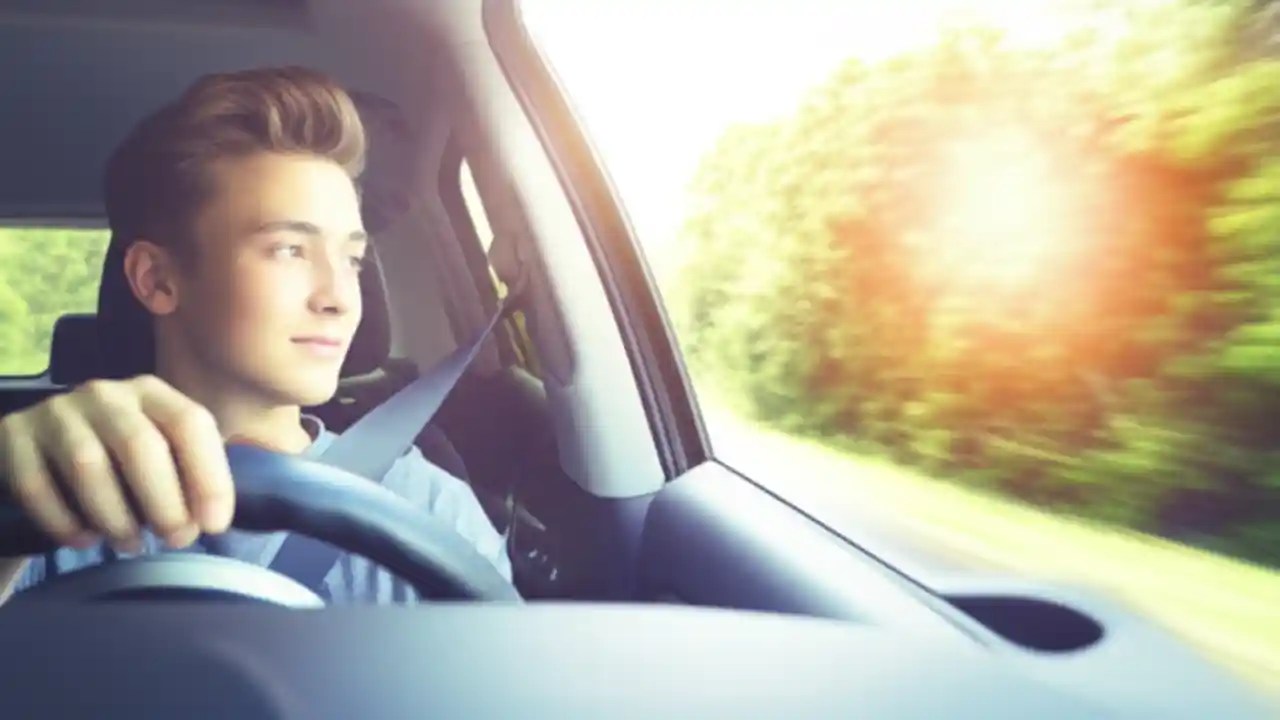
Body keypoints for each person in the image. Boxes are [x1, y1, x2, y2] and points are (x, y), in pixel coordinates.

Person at [0, 66, 512, 603]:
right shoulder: (52, 491)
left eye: (353, 259)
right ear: (157, 280)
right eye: (289, 249)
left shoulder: (428, 508)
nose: (338, 298)